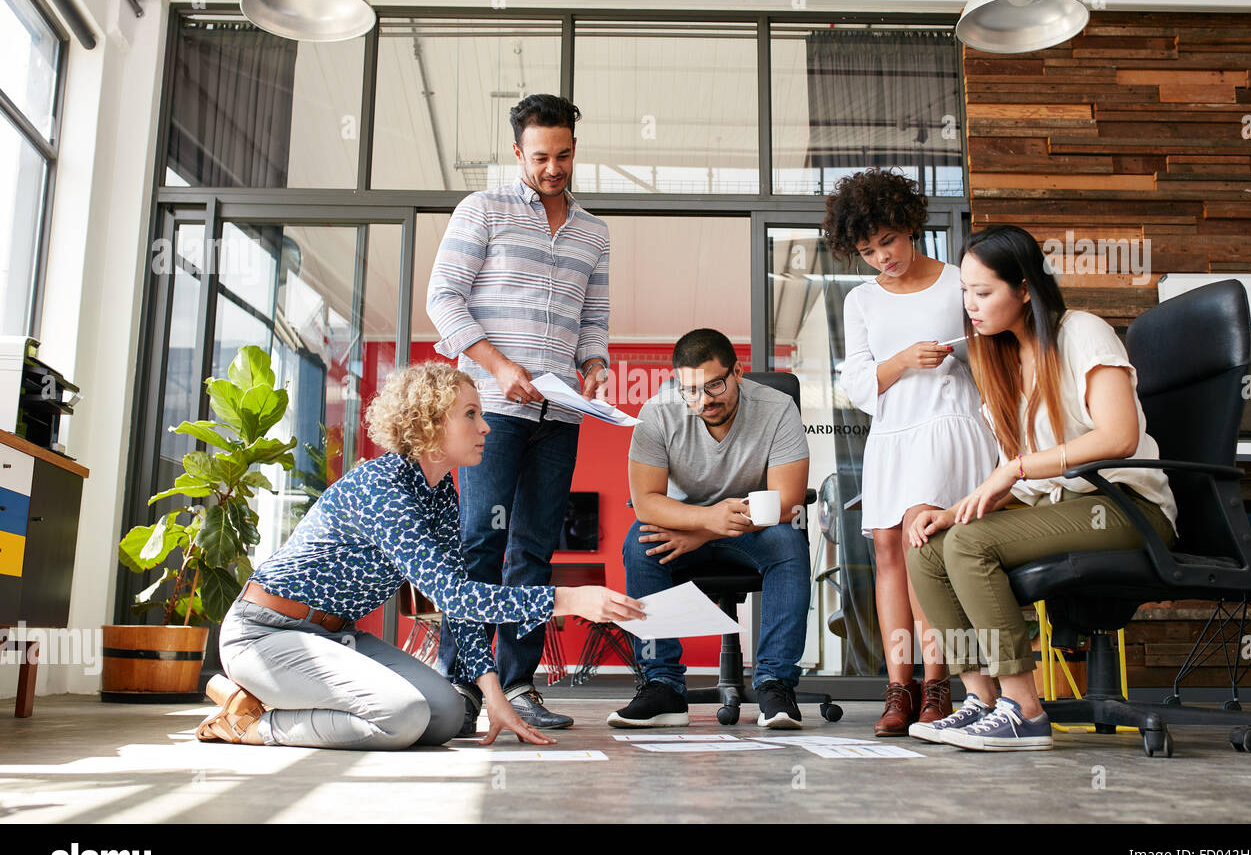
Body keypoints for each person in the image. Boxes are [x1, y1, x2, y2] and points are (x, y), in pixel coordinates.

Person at [198, 362, 643, 749]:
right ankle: (253, 723)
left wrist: (494, 696)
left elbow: (459, 602)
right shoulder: (383, 488)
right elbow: (456, 596)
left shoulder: (440, 492)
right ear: (429, 424)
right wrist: (568, 599)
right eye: (471, 414)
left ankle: (287, 700)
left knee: (446, 716)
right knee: (403, 715)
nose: (486, 427)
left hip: (335, 636)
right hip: (266, 632)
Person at [904, 225, 1178, 751]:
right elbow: (1024, 483)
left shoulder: (1083, 332)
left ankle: (1024, 711)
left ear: (1025, 288)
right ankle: (981, 699)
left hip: (1126, 508)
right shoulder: (1002, 361)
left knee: (970, 544)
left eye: (983, 292)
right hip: (1062, 507)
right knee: (929, 546)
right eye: (965, 292)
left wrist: (1016, 468)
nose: (970, 305)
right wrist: (955, 511)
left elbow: (1119, 437)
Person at [426, 93, 610, 734]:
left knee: (533, 548)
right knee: (481, 541)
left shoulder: (594, 233)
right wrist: (500, 366)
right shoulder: (483, 210)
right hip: (491, 411)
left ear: (574, 150)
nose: (552, 168)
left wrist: (595, 365)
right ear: (517, 152)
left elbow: (594, 321)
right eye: (540, 157)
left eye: (563, 155)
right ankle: (459, 686)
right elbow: (443, 300)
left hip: (560, 416)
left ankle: (519, 684)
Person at [824, 169, 997, 736]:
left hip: (948, 424)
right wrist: (903, 360)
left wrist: (961, 357)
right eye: (868, 251)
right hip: (892, 434)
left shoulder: (957, 282)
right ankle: (900, 688)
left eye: (889, 241)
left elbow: (993, 356)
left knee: (924, 548)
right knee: (887, 553)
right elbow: (856, 384)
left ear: (909, 226)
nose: (882, 257)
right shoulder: (861, 300)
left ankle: (938, 684)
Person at [609, 328, 812, 730]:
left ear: (737, 371)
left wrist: (707, 531)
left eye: (715, 385)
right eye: (691, 390)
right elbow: (646, 502)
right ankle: (662, 686)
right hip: (684, 524)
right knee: (640, 544)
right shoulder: (657, 413)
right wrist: (705, 519)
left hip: (754, 530)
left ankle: (775, 685)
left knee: (789, 543)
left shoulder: (777, 408)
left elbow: (787, 502)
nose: (704, 400)